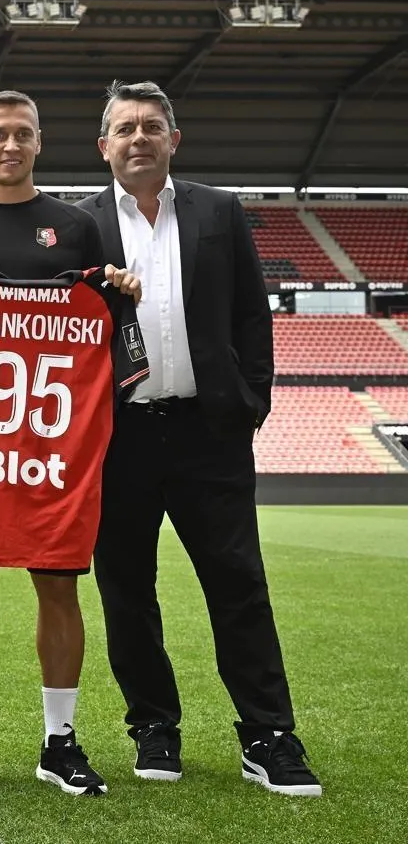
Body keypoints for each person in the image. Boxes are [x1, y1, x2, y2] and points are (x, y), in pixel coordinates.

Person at [78, 80, 321, 797]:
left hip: (208, 432)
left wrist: (250, 400)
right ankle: (154, 726)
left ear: (173, 139)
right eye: (125, 128)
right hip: (118, 436)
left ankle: (268, 735)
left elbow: (251, 312)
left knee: (238, 584)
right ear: (103, 145)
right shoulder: (79, 223)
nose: (139, 138)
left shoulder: (218, 210)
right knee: (127, 590)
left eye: (152, 126)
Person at [0, 90, 140, 797]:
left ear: (39, 142)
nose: (10, 145)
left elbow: (101, 310)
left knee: (59, 587)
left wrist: (120, 288)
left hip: (53, 452)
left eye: (22, 133)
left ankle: (60, 743)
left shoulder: (77, 227)